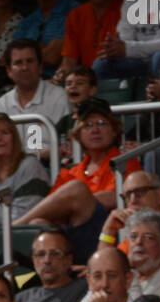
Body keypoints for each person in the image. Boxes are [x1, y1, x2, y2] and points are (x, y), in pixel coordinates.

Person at [15, 98, 140, 261]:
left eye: (102, 123)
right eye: (88, 125)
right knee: (38, 222)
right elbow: (53, 208)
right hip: (73, 237)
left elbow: (118, 198)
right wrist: (73, 202)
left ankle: (13, 228)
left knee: (77, 189)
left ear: (114, 131)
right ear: (78, 134)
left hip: (108, 232)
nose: (95, 130)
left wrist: (77, 199)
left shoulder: (125, 161)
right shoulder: (70, 172)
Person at [0, 39, 70, 156]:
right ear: (9, 71)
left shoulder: (59, 98)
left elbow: (66, 146)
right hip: (10, 169)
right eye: (18, 63)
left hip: (50, 168)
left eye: (30, 61)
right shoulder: (0, 106)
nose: (25, 67)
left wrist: (29, 157)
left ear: (40, 67)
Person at [57, 0, 122, 78]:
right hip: (87, 82)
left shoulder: (126, 10)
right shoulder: (75, 15)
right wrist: (62, 73)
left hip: (117, 77)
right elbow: (69, 60)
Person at [15, 0, 78, 75]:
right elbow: (12, 58)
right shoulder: (27, 22)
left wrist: (29, 51)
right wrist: (47, 48)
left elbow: (53, 57)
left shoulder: (76, 12)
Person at [13, 229, 88, 302]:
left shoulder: (84, 287)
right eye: (40, 254)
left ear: (69, 259)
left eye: (55, 254)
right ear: (33, 260)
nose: (47, 260)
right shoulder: (21, 298)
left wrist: (95, 273)